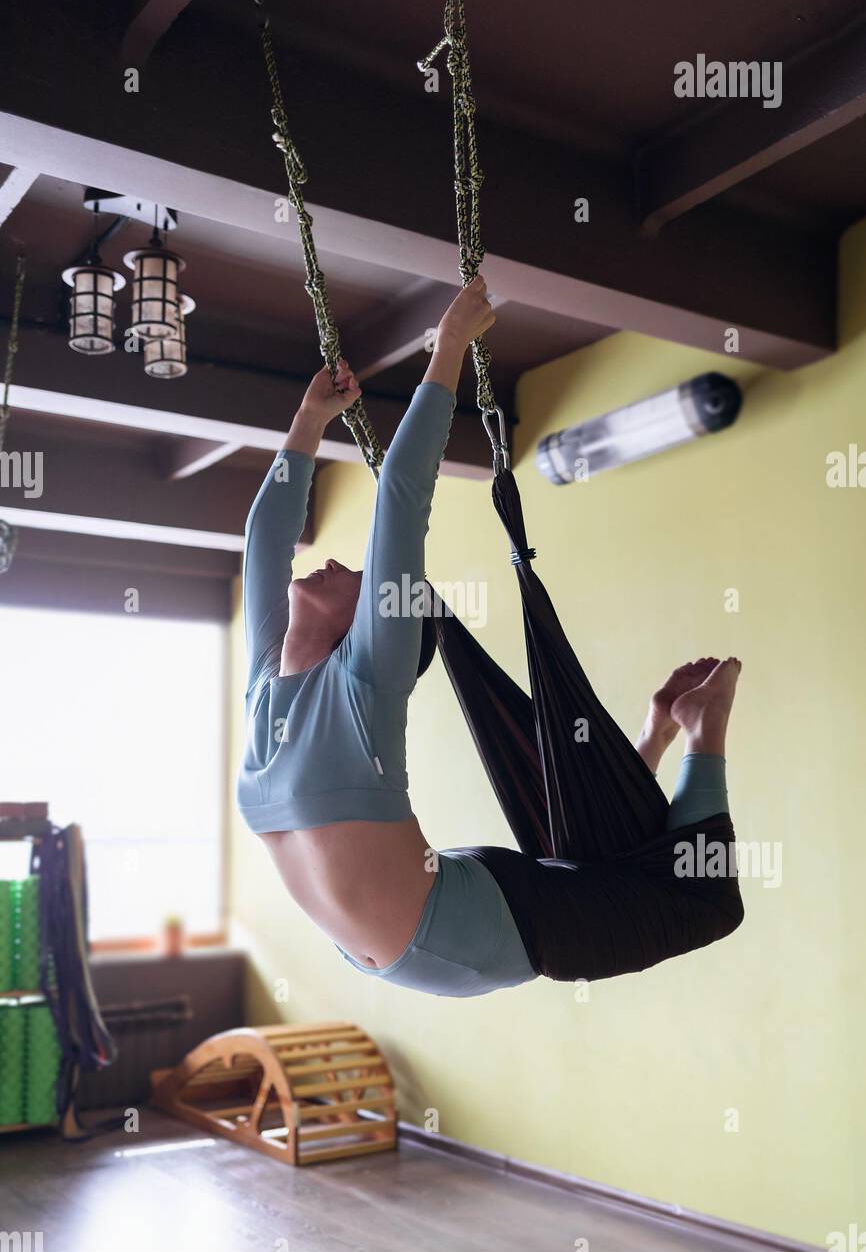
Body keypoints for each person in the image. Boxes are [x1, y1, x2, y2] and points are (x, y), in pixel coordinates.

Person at [237, 277, 743, 997]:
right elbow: (270, 537)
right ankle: (680, 733)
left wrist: (442, 354)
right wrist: (309, 424)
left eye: (355, 566)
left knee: (690, 895)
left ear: (373, 623)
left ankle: (690, 728)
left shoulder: (363, 681)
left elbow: (396, 504)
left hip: (452, 926)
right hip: (473, 922)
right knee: (691, 893)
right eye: (352, 566)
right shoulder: (282, 686)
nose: (337, 560)